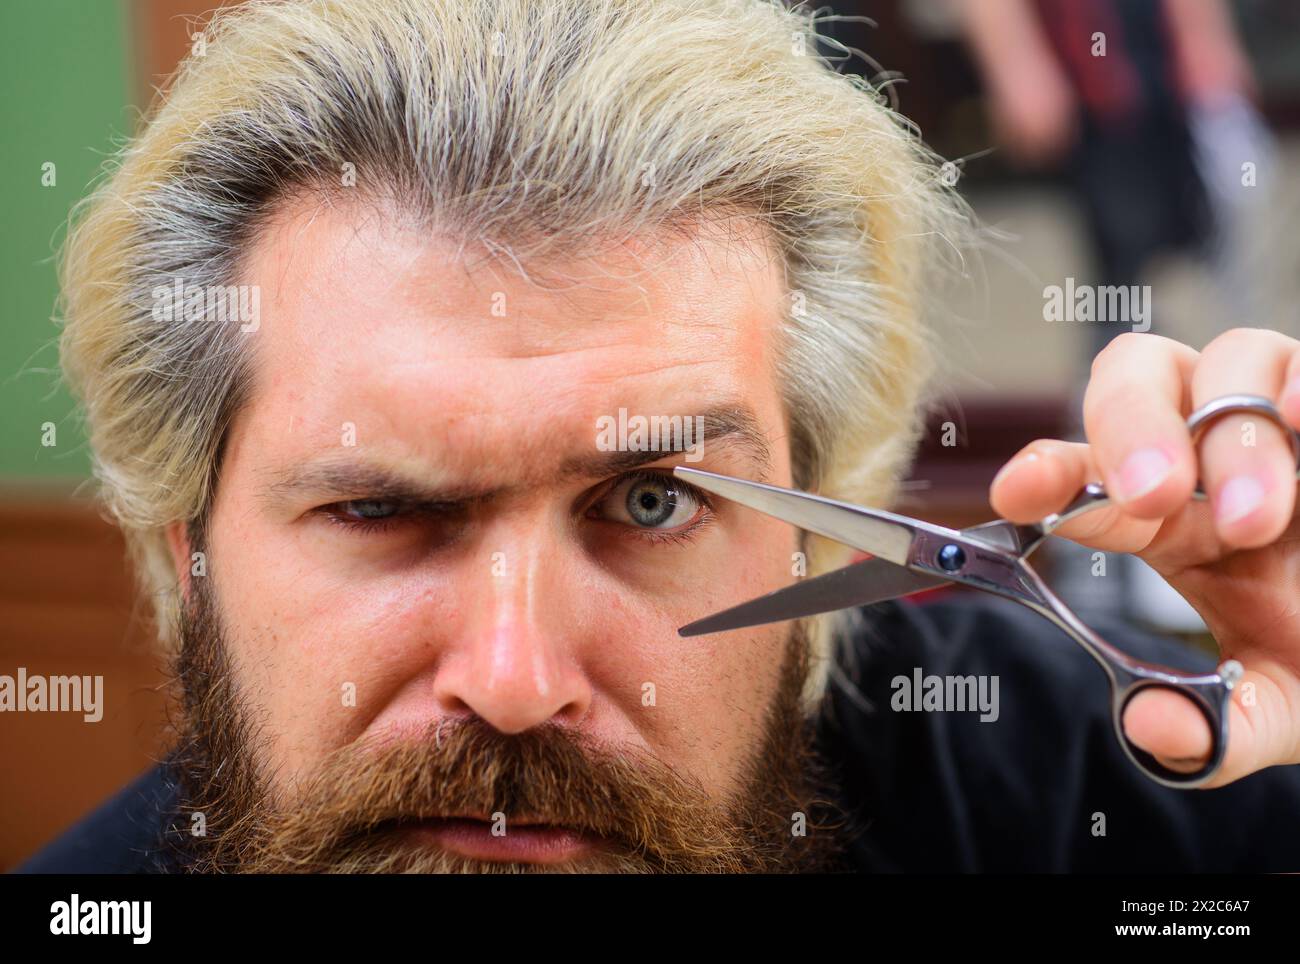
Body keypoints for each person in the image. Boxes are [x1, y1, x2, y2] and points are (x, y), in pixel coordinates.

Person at [19, 0, 1300, 873]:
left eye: (649, 503)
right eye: (381, 508)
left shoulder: (1049, 788)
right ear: (194, 552)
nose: (516, 680)